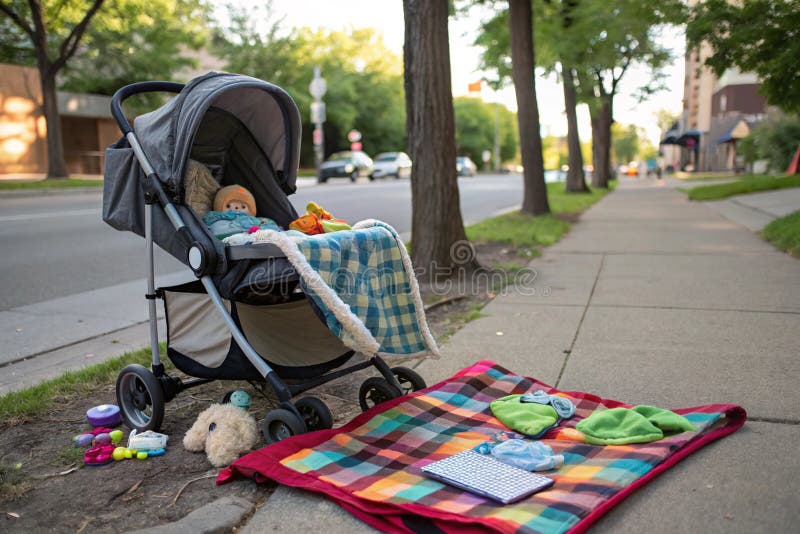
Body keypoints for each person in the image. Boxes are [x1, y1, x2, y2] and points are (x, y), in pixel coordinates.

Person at [203, 185, 281, 239]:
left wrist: (259, 229)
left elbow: (274, 227)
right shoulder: (217, 219)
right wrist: (247, 230)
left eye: (243, 207)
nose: (236, 208)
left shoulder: (256, 219)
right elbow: (217, 231)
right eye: (228, 206)